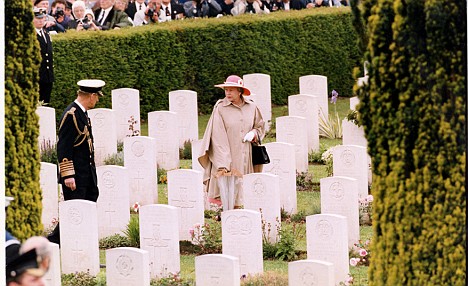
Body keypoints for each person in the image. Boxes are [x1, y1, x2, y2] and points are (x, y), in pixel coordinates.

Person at [47, 79, 105, 245]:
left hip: (86, 173)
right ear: (91, 96)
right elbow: (64, 147)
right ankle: (54, 243)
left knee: (86, 207)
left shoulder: (82, 113)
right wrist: (68, 175)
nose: (98, 100)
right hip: (76, 177)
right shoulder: (71, 114)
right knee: (74, 213)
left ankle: (79, 244)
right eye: (97, 96)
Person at [198, 75, 265, 210]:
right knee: (228, 191)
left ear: (240, 91)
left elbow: (260, 126)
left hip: (247, 157)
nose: (227, 93)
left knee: (245, 192)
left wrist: (254, 133)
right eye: (226, 90)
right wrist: (223, 164)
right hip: (228, 158)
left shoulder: (252, 107)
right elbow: (217, 137)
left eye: (231, 90)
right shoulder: (220, 109)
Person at [33, 7, 55, 104]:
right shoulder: (31, 36)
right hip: (37, 76)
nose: (41, 21)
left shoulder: (46, 34)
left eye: (42, 18)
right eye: (38, 18)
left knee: (46, 103)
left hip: (47, 76)